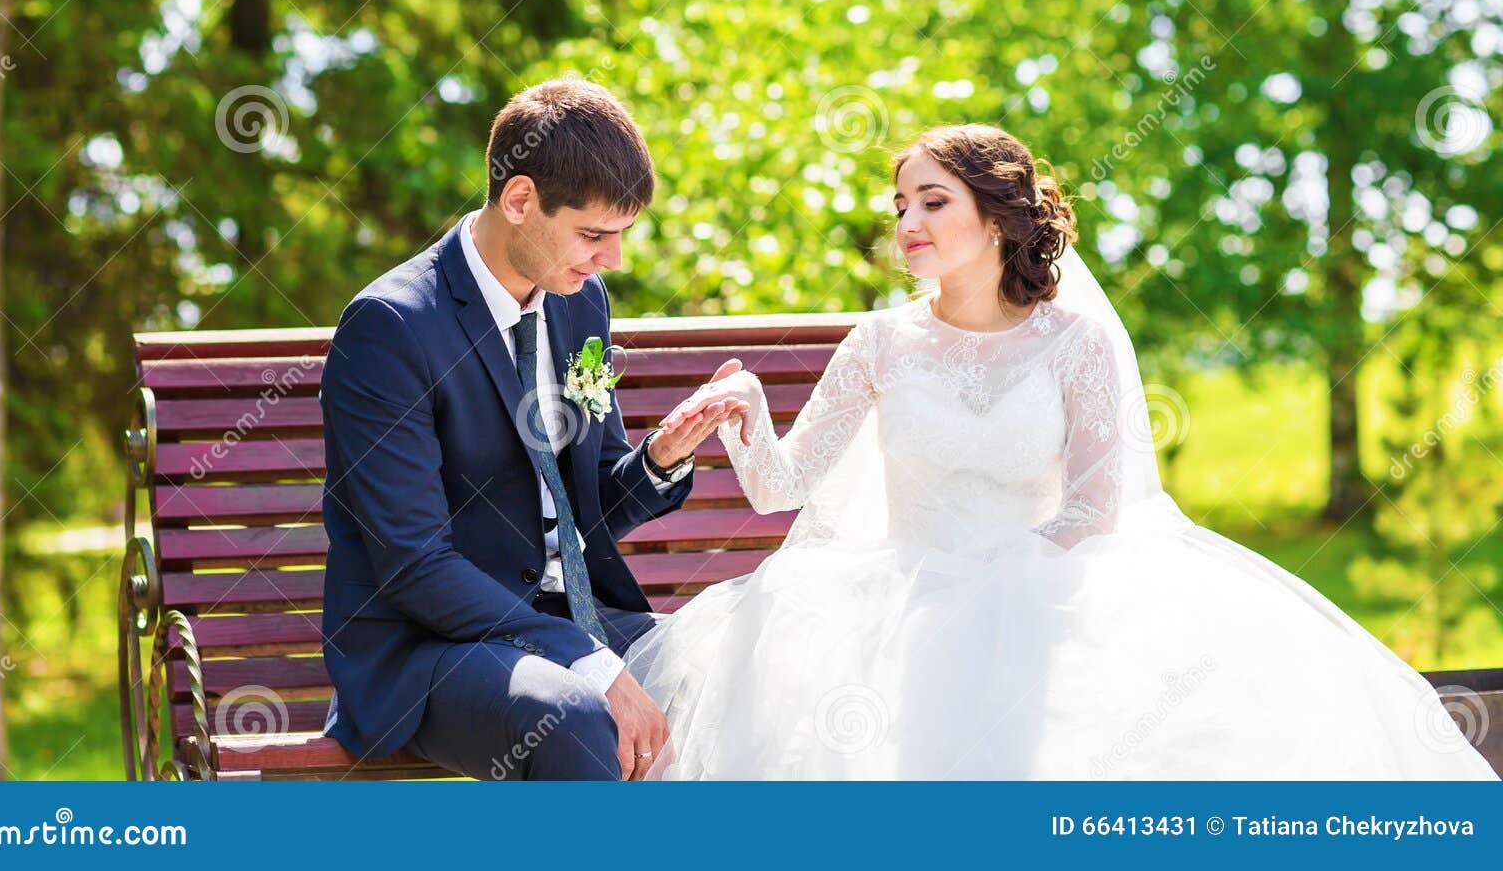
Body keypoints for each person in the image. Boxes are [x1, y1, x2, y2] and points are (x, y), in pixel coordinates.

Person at [622, 123, 1500, 780]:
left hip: (1039, 592)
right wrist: (745, 410)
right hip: (898, 595)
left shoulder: (1073, 341)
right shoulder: (880, 343)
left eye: (934, 201)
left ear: (997, 217)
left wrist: (994, 594)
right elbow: (779, 489)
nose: (909, 221)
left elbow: (1092, 505)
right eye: (901, 205)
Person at [319, 78, 746, 780]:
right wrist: (591, 661)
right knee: (572, 711)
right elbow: (415, 565)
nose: (612, 259)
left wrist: (661, 457)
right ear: (519, 200)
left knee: (729, 666)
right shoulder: (391, 327)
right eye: (593, 235)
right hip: (430, 644)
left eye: (620, 236)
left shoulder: (579, 300)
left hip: (566, 616)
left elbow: (590, 507)